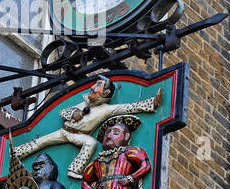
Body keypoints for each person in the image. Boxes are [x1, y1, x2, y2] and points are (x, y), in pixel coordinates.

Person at [12, 75, 161, 179]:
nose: (92, 88)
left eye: (97, 86)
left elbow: (128, 108)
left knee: (91, 143)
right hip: (64, 130)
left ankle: (75, 169)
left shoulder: (106, 109)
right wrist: (73, 113)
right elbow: (62, 112)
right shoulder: (84, 103)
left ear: (106, 93)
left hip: (79, 135)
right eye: (94, 85)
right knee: (42, 141)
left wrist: (150, 104)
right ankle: (18, 152)